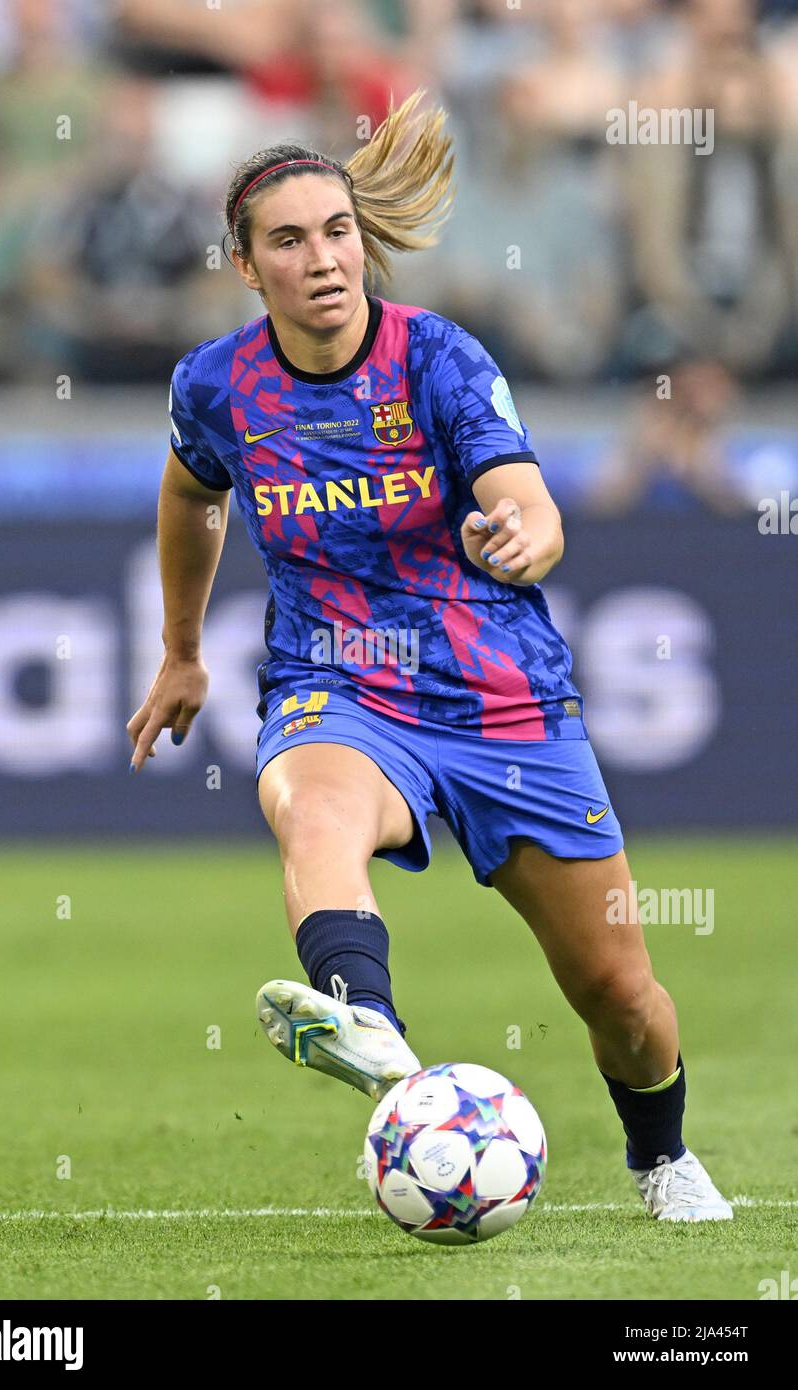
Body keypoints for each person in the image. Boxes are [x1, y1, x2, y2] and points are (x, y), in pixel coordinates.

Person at [127, 91, 732, 1226]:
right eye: (290, 241)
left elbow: (530, 504)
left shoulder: (437, 359)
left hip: (500, 699)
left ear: (365, 239)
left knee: (619, 993)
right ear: (246, 268)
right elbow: (189, 491)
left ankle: (661, 1154)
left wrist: (519, 535)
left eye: (338, 230)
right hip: (336, 681)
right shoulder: (216, 386)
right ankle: (362, 1016)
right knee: (311, 805)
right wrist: (177, 649)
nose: (323, 258)